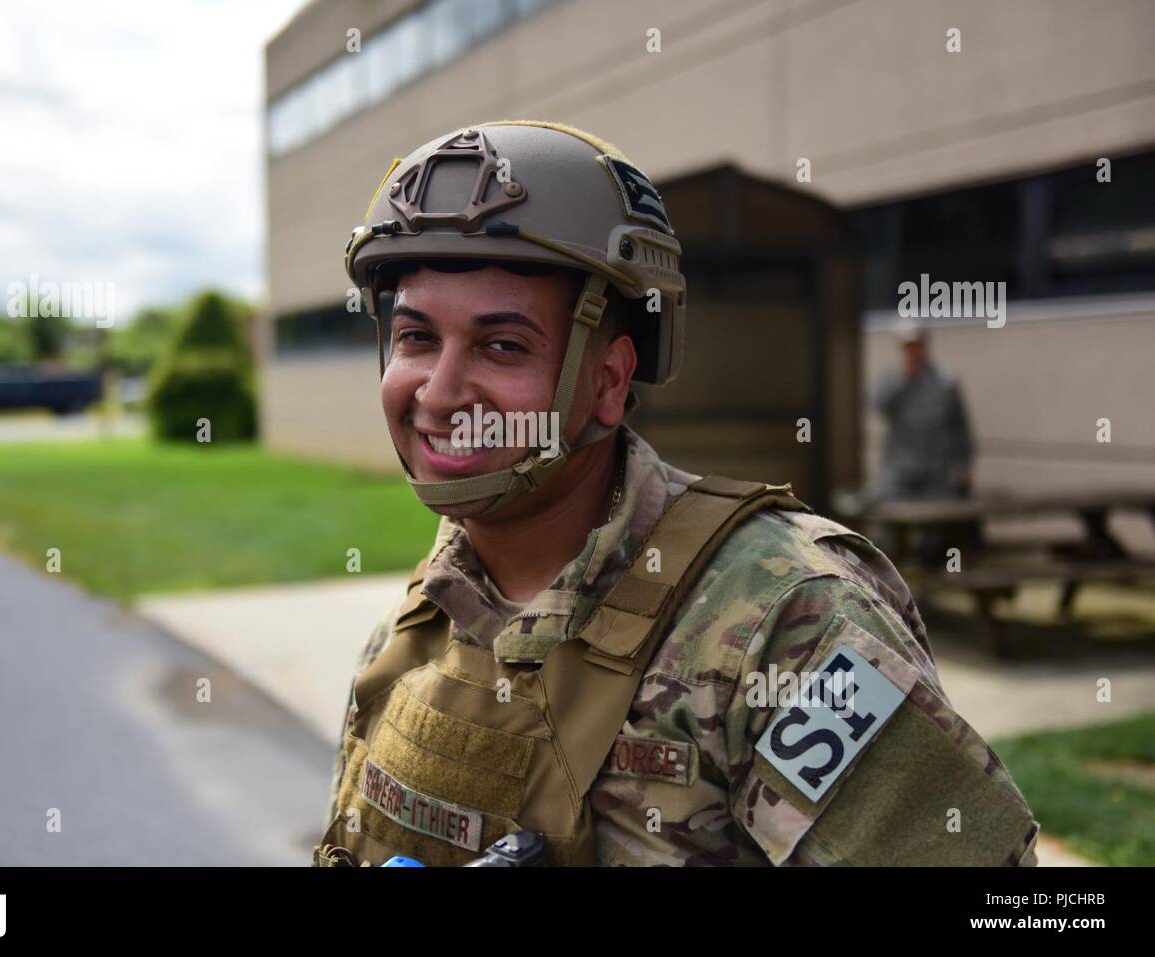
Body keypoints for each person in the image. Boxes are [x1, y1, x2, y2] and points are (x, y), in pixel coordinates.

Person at [314, 121, 1038, 867]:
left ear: (609, 380)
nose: (439, 393)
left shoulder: (784, 622)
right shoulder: (425, 614)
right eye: (416, 337)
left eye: (503, 345)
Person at [873, 320, 978, 564]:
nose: (914, 351)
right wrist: (904, 379)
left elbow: (960, 426)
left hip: (936, 472)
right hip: (900, 472)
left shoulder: (944, 380)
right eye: (908, 346)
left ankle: (933, 571)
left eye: (917, 345)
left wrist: (964, 464)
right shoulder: (892, 379)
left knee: (937, 534)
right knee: (891, 532)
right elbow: (880, 406)